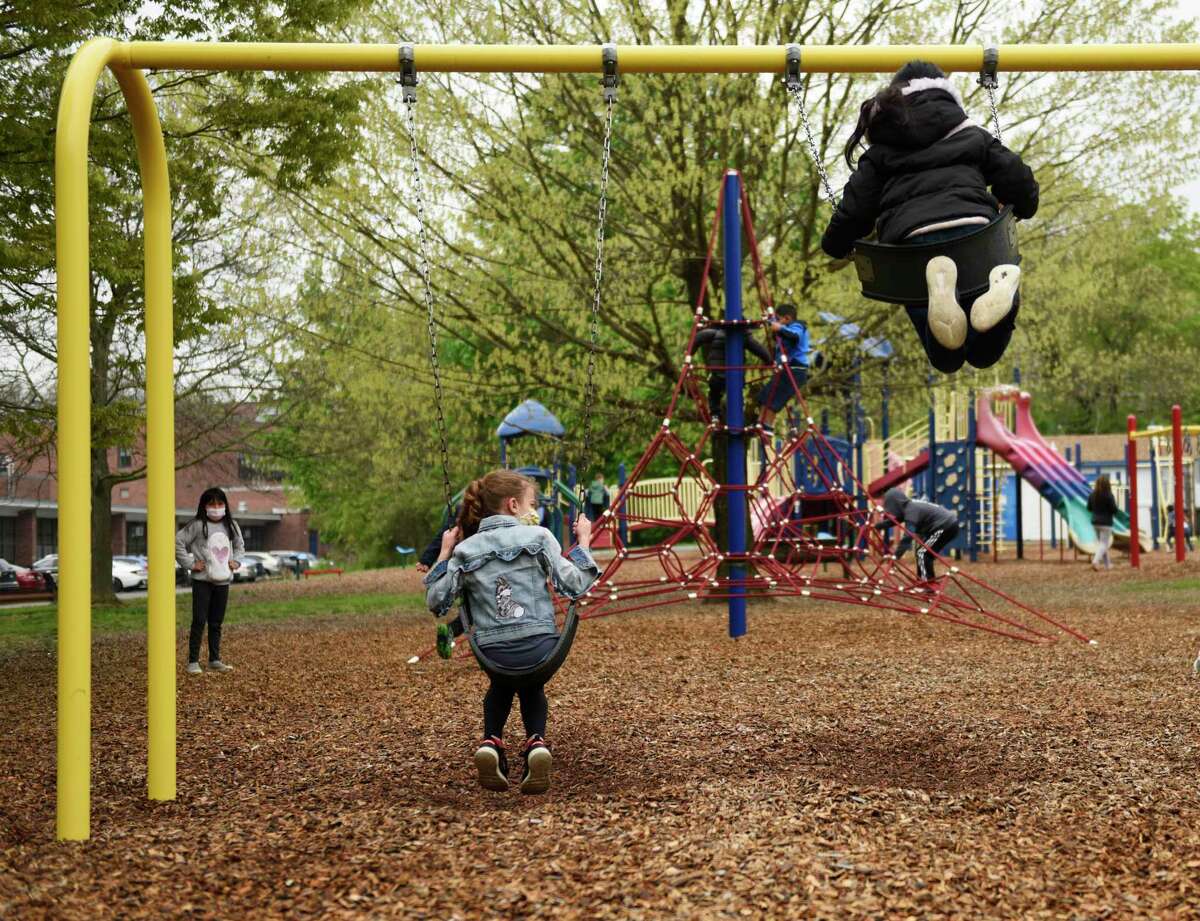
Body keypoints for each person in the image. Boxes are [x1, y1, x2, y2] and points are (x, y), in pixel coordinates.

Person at [821, 60, 1039, 374]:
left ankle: (941, 291)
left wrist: (836, 245)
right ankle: (1001, 296)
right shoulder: (971, 134)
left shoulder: (880, 152)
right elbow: (1020, 182)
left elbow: (853, 211)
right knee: (983, 354)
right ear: (946, 96)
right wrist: (1023, 207)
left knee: (946, 359)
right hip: (977, 239)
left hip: (914, 251)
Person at [424, 470, 599, 795]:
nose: (533, 509)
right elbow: (576, 584)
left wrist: (445, 552)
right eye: (531, 503)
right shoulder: (540, 537)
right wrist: (584, 543)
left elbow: (436, 603)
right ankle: (536, 744)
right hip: (541, 647)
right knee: (531, 681)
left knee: (503, 680)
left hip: (492, 652)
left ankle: (492, 741)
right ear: (514, 504)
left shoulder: (465, 550)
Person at [175, 487, 244, 674]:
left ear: (225, 505)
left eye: (220, 503)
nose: (216, 507)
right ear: (204, 506)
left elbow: (239, 545)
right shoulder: (197, 525)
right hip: (202, 582)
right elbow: (178, 542)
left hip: (223, 582)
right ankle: (193, 662)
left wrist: (236, 561)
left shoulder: (231, 525)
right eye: (211, 504)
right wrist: (190, 563)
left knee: (216, 622)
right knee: (199, 620)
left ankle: (214, 659)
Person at [876, 486, 959, 585]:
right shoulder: (909, 507)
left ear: (895, 504)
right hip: (947, 525)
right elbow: (896, 520)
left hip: (945, 526)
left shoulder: (911, 511)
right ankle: (926, 581)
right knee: (923, 553)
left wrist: (896, 556)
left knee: (922, 553)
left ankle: (926, 584)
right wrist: (877, 526)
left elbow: (908, 536)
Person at [692, 320, 774, 418]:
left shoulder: (716, 333)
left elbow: (700, 336)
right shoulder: (744, 337)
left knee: (714, 393)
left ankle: (715, 414)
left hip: (717, 373)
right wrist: (769, 360)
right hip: (735, 376)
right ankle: (738, 413)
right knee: (737, 394)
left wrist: (690, 352)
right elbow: (759, 350)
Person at [755, 303, 811, 431]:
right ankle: (761, 422)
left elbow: (794, 336)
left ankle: (767, 426)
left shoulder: (798, 326)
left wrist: (779, 328)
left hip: (795, 370)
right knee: (765, 395)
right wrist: (769, 321)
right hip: (785, 369)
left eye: (779, 319)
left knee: (774, 399)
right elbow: (777, 328)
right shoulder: (786, 327)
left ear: (787, 318)